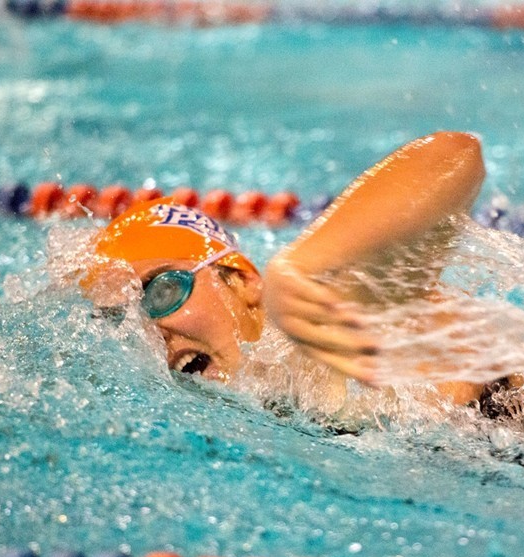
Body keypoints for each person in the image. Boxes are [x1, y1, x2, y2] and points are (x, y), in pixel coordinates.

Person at [86, 130, 488, 403]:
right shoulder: (261, 399)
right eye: (119, 317)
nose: (148, 330)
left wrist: (305, 266)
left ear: (242, 282)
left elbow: (455, 154)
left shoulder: (321, 318)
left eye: (164, 291)